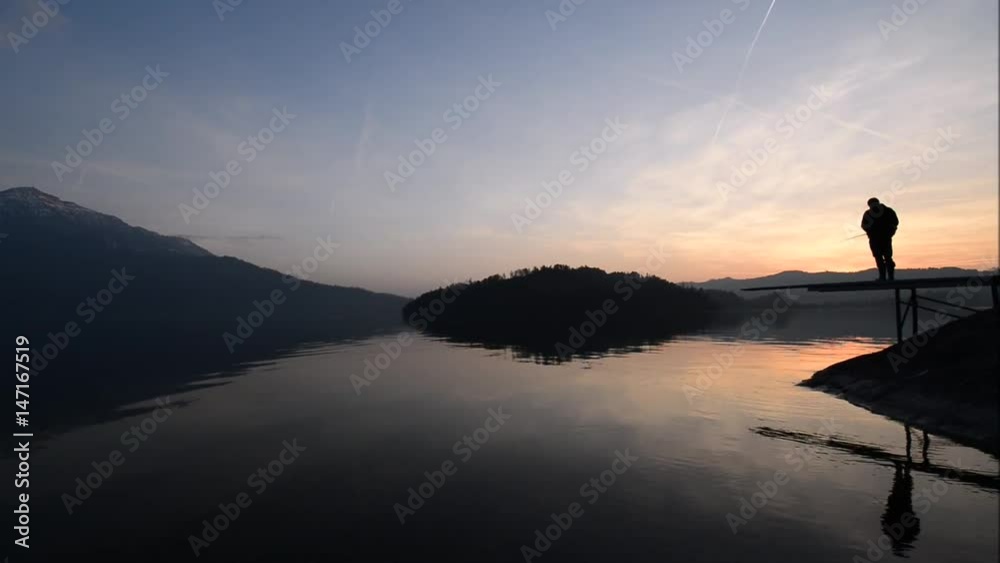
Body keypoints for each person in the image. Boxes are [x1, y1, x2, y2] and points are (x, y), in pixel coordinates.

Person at [861, 197, 898, 281]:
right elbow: (864, 226)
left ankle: (887, 277)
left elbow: (895, 222)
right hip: (878, 239)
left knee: (885, 257)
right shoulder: (887, 211)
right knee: (881, 258)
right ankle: (885, 277)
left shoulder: (885, 211)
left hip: (883, 239)